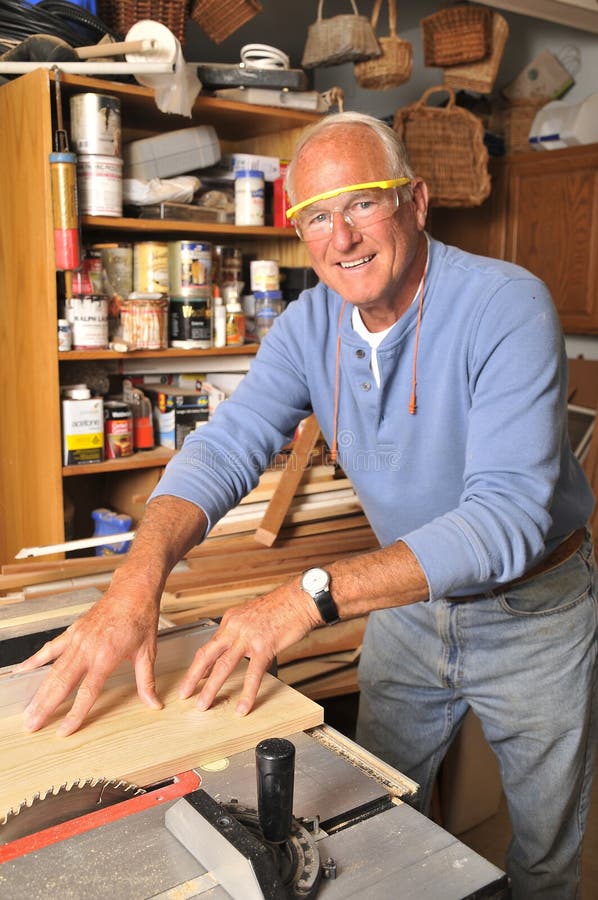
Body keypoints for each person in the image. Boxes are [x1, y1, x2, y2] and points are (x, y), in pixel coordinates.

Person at [19, 112, 596, 899]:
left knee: (544, 858)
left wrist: (306, 596)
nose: (342, 237)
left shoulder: (505, 306)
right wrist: (135, 581)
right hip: (409, 611)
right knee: (371, 819)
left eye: (362, 203)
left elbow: (506, 520)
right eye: (317, 217)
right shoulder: (309, 325)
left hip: (533, 612)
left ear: (416, 201)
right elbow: (225, 448)